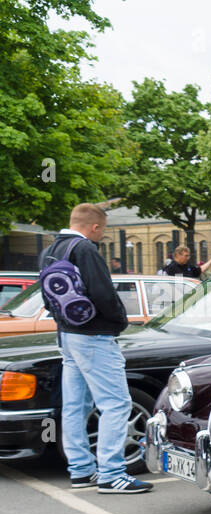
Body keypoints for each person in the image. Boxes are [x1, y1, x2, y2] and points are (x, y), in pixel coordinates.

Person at [39, 204, 152, 494]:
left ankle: (81, 470)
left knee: (76, 405)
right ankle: (112, 474)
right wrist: (119, 321)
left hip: (66, 334)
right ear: (94, 227)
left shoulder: (51, 250)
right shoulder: (86, 250)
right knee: (116, 403)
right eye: (102, 230)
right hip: (94, 335)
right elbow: (103, 293)